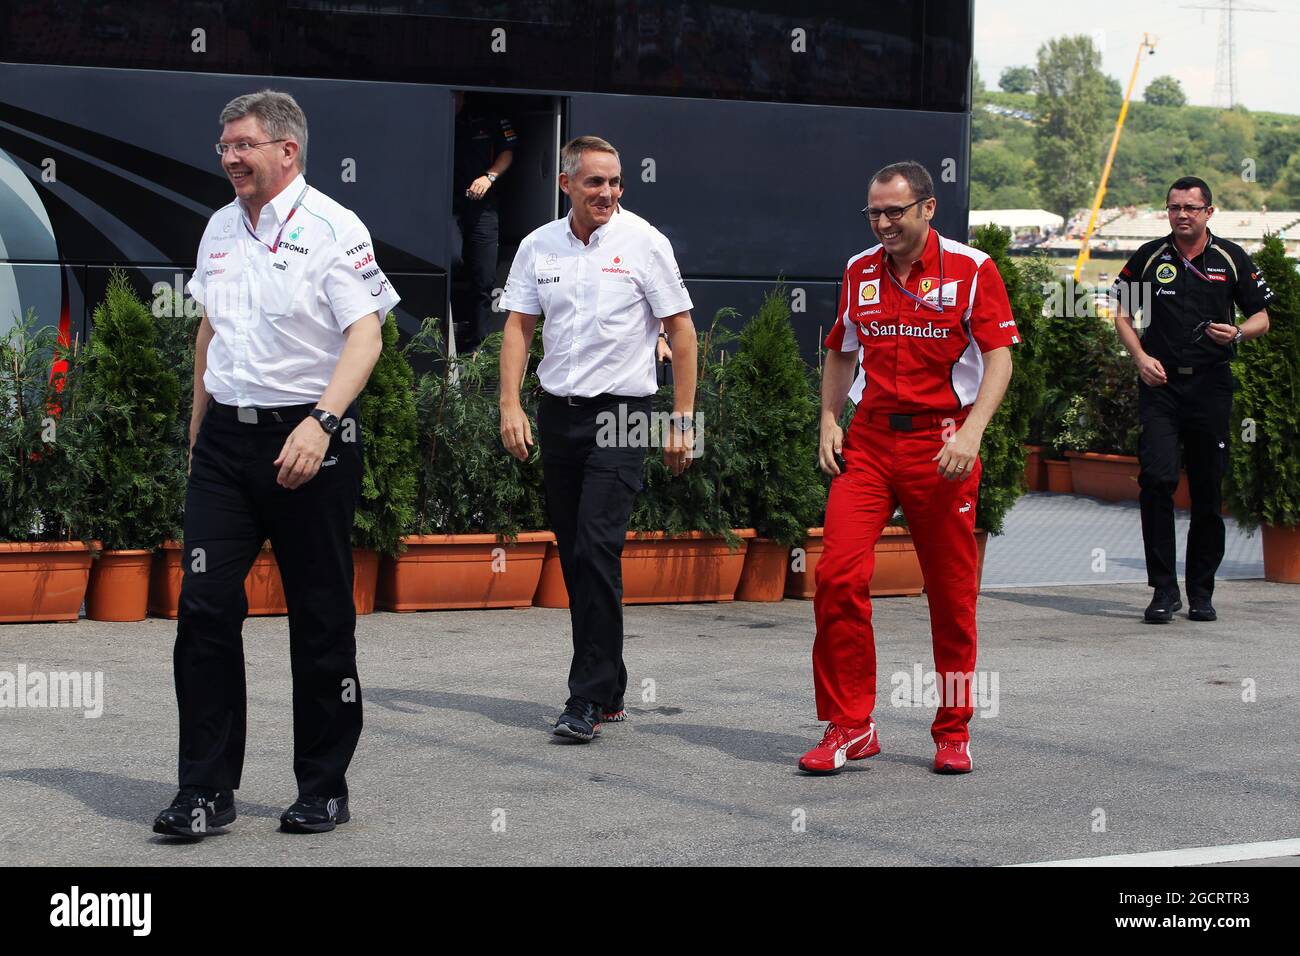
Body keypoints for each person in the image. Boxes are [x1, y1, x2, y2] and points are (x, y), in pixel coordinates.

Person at [152, 89, 399, 838]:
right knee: (203, 612)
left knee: (321, 619)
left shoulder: (334, 227)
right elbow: (208, 332)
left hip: (309, 444)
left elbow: (366, 337)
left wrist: (322, 424)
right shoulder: (220, 228)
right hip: (226, 445)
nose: (229, 156)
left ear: (287, 150)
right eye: (223, 145)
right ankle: (205, 791)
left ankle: (323, 785)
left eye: (243, 144)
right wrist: (197, 428)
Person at [802, 160, 1019, 776]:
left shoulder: (972, 270)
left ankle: (952, 731)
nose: (883, 223)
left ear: (928, 209)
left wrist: (972, 433)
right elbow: (842, 350)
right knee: (838, 576)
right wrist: (828, 417)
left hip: (943, 445)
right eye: (874, 212)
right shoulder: (858, 270)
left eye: (895, 211)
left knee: (951, 595)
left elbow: (999, 360)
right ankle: (850, 725)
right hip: (868, 444)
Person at [498, 136, 696, 742]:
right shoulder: (538, 246)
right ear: (567, 185)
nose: (607, 193)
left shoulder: (645, 243)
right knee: (578, 554)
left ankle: (584, 698)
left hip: (626, 412)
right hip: (559, 415)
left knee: (595, 547)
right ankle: (609, 681)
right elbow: (518, 329)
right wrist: (510, 404)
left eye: (614, 183)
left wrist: (683, 420)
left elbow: (682, 334)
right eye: (594, 183)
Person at [1111, 176, 1272, 624]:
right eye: (1174, 207)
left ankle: (1201, 591)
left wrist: (1239, 331)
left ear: (1208, 213)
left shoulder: (1230, 257)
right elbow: (1121, 314)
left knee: (1206, 489)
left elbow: (1262, 315)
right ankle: (1163, 589)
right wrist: (1140, 357)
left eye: (1191, 208)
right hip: (1160, 386)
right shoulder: (1149, 257)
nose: (1182, 214)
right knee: (1157, 480)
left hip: (1210, 387)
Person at [452, 92, 516, 346]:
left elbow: (508, 151)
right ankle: (447, 332)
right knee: (451, 259)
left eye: (457, 96)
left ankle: (479, 345)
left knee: (485, 276)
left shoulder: (488, 117)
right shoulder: (438, 115)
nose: (454, 101)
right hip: (448, 206)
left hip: (483, 208)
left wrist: (488, 177)